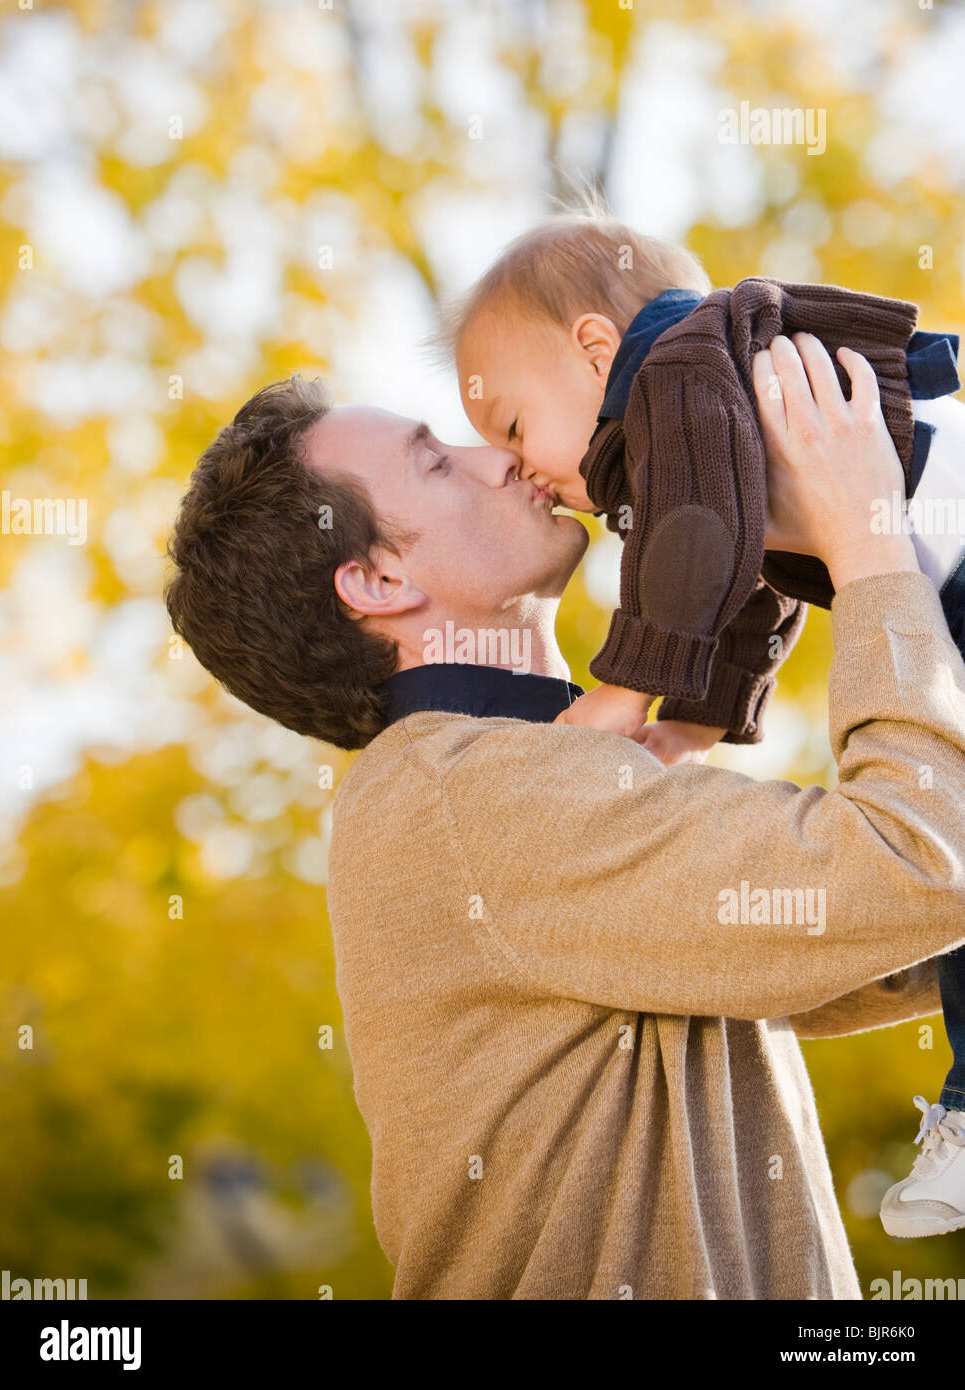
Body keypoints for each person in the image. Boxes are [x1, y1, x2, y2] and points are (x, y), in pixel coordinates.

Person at [164, 334, 965, 1296]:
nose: (497, 454)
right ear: (380, 583)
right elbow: (917, 863)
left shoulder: (521, 782)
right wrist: (868, 540)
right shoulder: (465, 794)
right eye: (434, 458)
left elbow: (877, 938)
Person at [448, 214, 965, 1236]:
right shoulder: (710, 399)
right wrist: (692, 727)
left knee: (943, 834)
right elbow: (753, 589)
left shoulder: (677, 374)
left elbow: (696, 539)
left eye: (512, 427)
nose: (518, 466)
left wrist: (629, 692)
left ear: (598, 350)